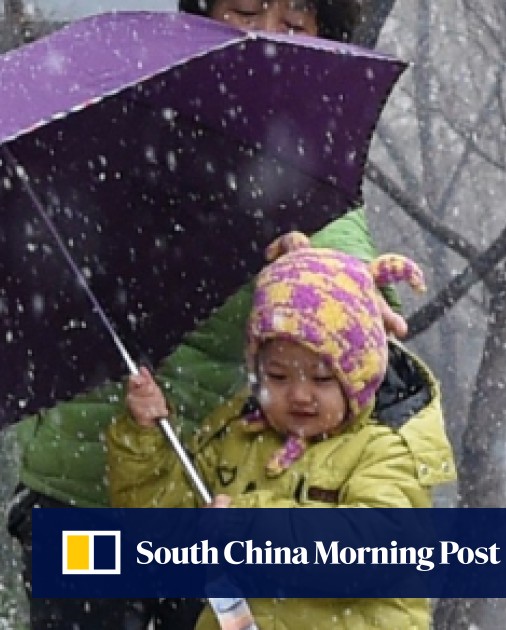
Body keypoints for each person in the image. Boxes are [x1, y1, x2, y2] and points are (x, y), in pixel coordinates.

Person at [6, 1, 455, 628]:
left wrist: (340, 288)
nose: (265, 37)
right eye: (244, 11)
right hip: (79, 492)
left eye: (294, 25)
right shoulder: (107, 144)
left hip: (220, 499)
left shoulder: (295, 169)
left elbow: (334, 251)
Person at [109, 233, 447, 629]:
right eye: (278, 376)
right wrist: (146, 438)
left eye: (321, 379)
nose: (300, 395)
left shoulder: (385, 447)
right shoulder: (237, 436)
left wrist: (246, 526)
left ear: (359, 377)